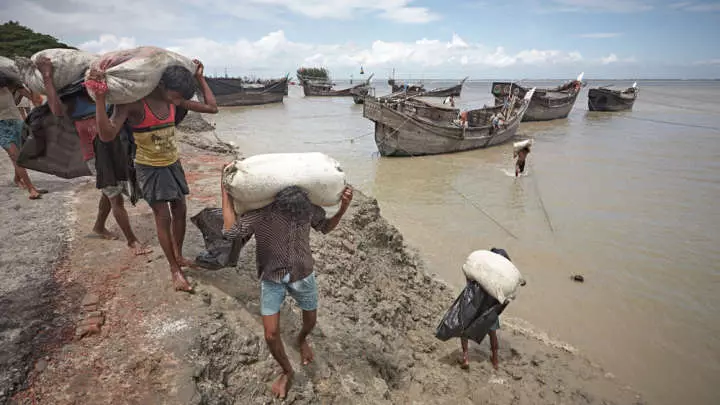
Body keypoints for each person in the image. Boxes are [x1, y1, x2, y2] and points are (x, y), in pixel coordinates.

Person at [92, 60, 218, 292]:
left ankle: (178, 255)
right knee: (163, 217)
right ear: (160, 84)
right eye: (176, 95)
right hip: (149, 167)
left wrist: (200, 78)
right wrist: (100, 99)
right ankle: (174, 270)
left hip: (173, 162)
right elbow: (107, 135)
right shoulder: (132, 105)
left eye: (181, 97)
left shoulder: (172, 100)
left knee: (180, 209)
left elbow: (212, 108)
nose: (178, 101)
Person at [221, 180, 353, 399]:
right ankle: (286, 370)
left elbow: (325, 227)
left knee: (310, 320)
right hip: (272, 277)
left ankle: (301, 340)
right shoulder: (260, 214)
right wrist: (225, 193)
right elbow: (231, 232)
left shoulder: (307, 209)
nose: (295, 213)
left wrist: (343, 207)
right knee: (271, 334)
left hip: (303, 273)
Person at [35, 57, 151, 255]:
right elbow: (56, 110)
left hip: (116, 151)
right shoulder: (73, 98)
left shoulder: (109, 92)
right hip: (95, 156)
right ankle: (132, 241)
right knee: (115, 197)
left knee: (109, 191)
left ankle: (98, 227)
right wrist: (47, 76)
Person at [459, 247, 513, 370]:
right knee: (492, 333)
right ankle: (495, 360)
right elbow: (504, 296)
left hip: (474, 303)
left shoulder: (481, 270)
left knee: (464, 331)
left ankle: (466, 358)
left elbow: (469, 281)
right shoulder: (501, 278)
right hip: (490, 306)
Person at [0, 80, 45, 199]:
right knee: (15, 156)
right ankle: (31, 188)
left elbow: (35, 99)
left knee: (22, 155)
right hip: (1, 127)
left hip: (16, 123)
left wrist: (31, 84)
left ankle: (17, 178)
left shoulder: (8, 86)